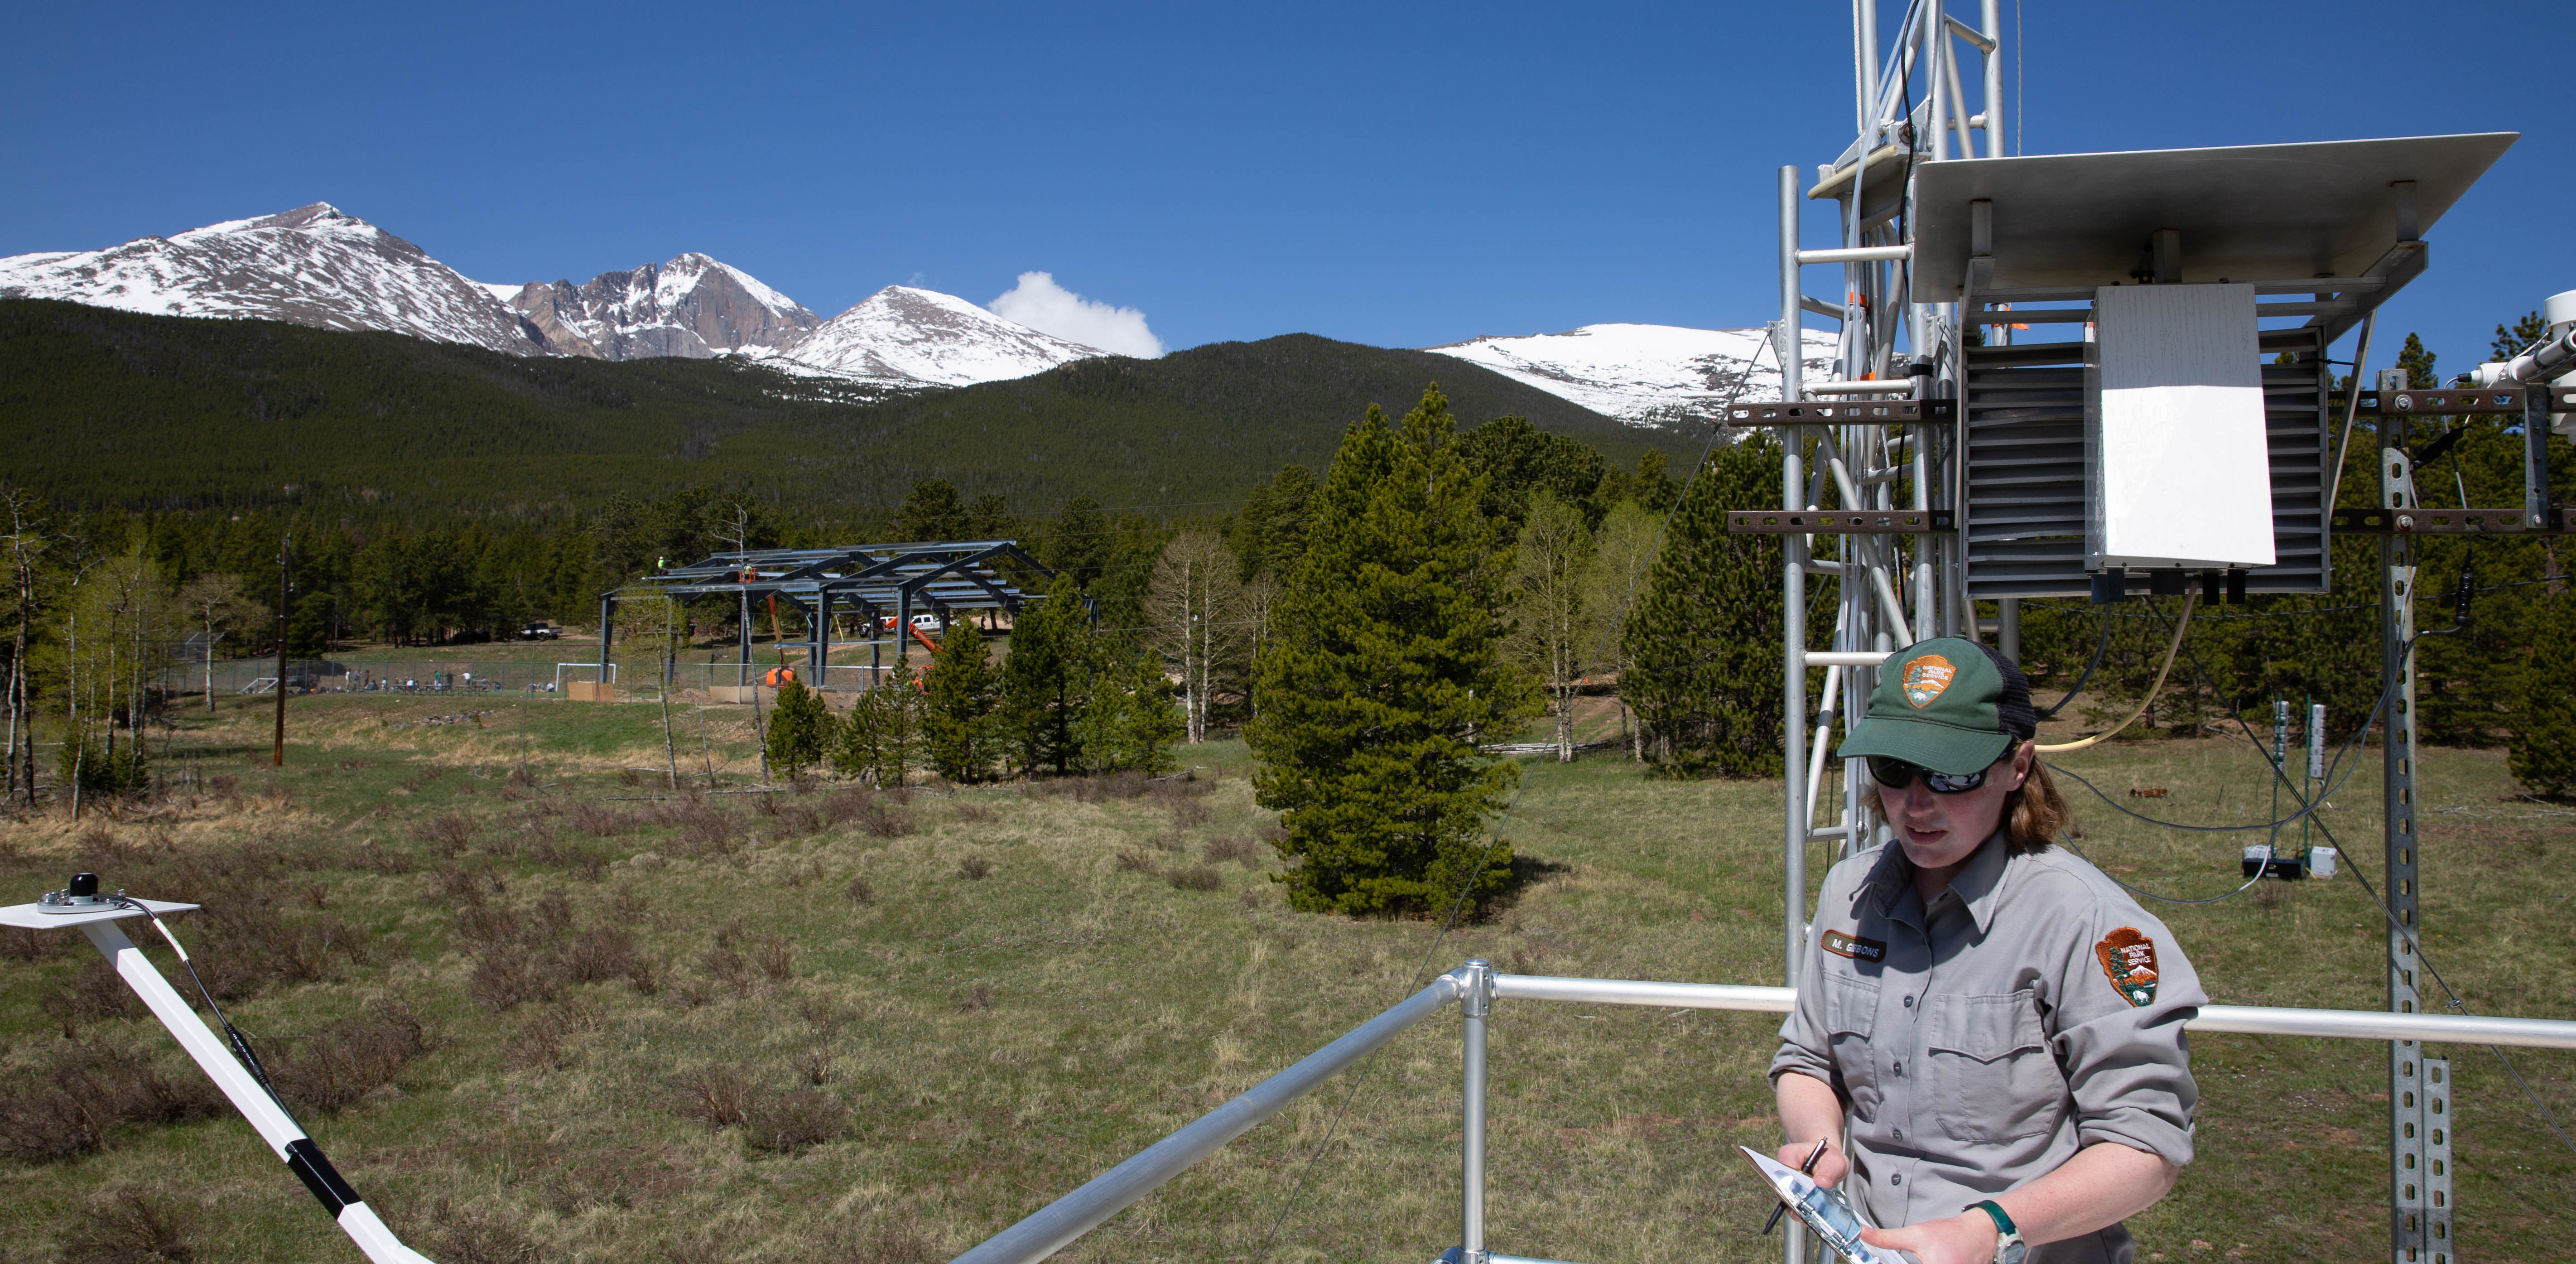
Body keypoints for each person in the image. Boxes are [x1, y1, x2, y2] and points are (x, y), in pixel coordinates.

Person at [1769, 638, 2203, 1264]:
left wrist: (1993, 1229)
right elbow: (1809, 1060)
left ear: (2018, 767)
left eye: (1953, 775)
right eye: (1893, 768)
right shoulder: (1850, 894)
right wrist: (1821, 1143)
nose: (1917, 803)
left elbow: (2148, 1148)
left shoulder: (2084, 921)